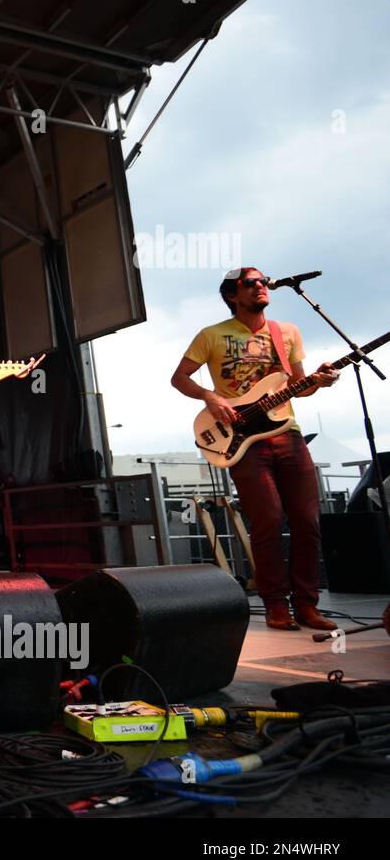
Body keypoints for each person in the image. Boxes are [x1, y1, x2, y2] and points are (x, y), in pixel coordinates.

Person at [172, 266, 339, 631]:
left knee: (307, 521)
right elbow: (179, 378)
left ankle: (307, 605)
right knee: (267, 520)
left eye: (264, 281)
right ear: (233, 294)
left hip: (287, 433)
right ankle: (276, 605)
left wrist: (319, 382)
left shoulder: (286, 333)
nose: (261, 287)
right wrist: (210, 397)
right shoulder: (212, 335)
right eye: (251, 283)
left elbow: (299, 385)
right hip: (243, 440)